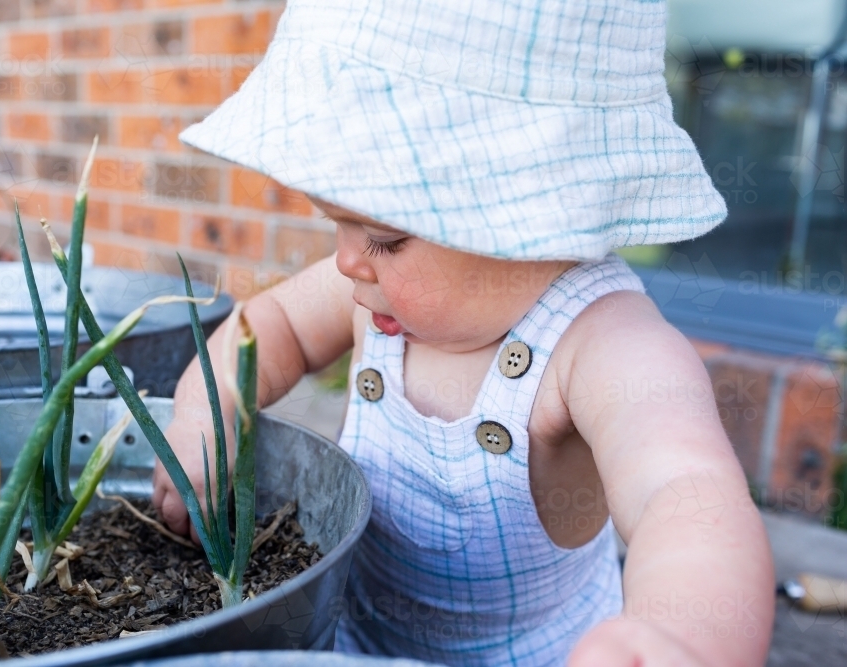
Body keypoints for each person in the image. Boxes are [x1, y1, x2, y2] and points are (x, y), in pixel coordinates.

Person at [151, 1, 775, 665]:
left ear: (531, 208)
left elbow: (684, 492)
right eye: (338, 223)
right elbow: (266, 327)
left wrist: (680, 637)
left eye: (385, 238)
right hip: (354, 640)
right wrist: (204, 411)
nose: (346, 260)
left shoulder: (603, 341)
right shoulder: (372, 293)